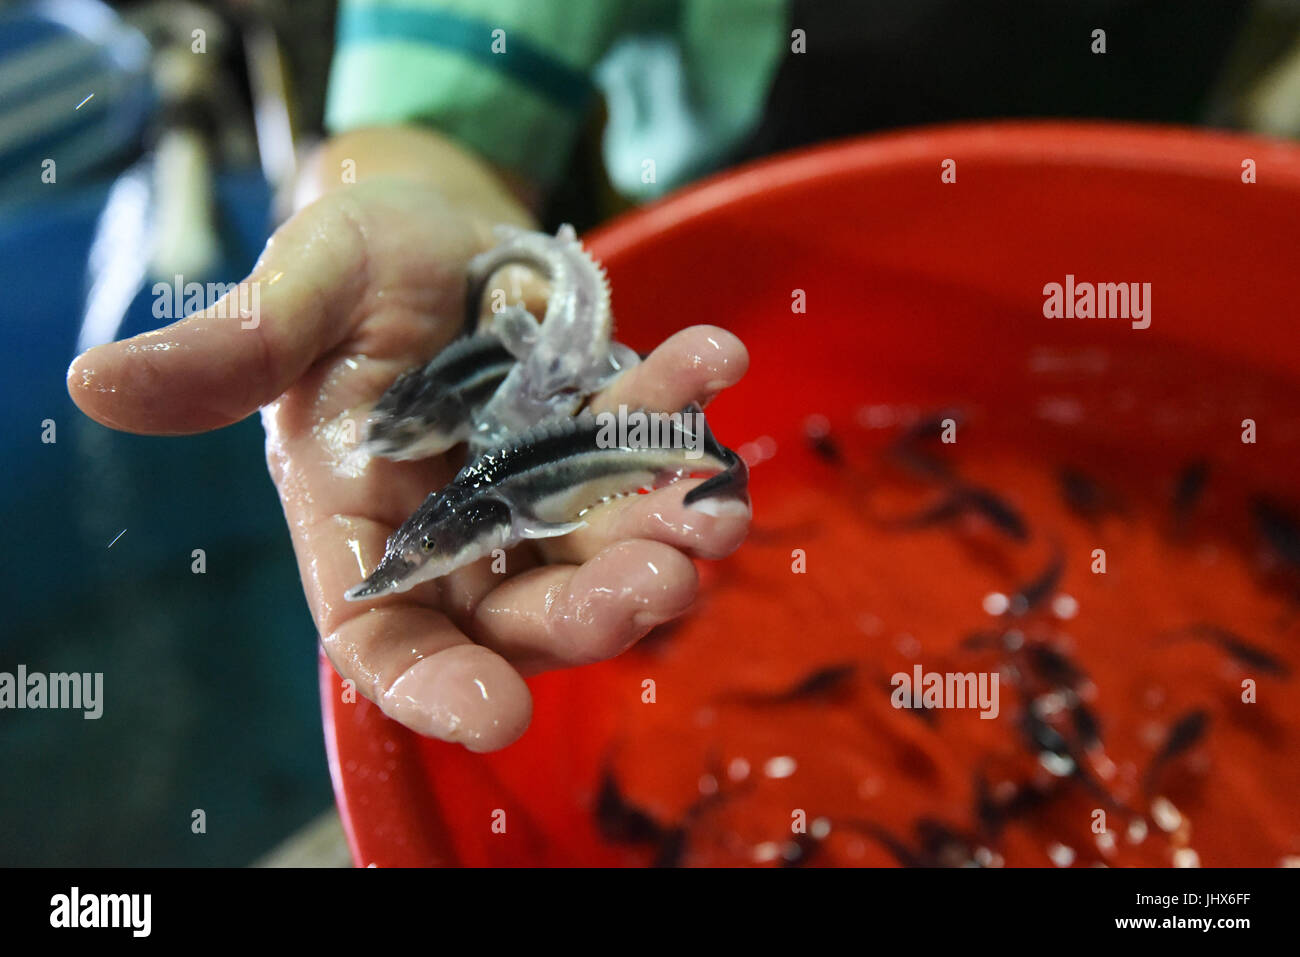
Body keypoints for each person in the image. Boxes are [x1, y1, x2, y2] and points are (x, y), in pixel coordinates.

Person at [66, 5, 757, 754]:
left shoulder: (505, 499)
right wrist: (414, 152)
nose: (405, 570)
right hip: (691, 212)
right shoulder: (489, 489)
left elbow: (540, 504)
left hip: (736, 195)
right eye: (419, 554)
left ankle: (713, 461)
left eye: (420, 555)